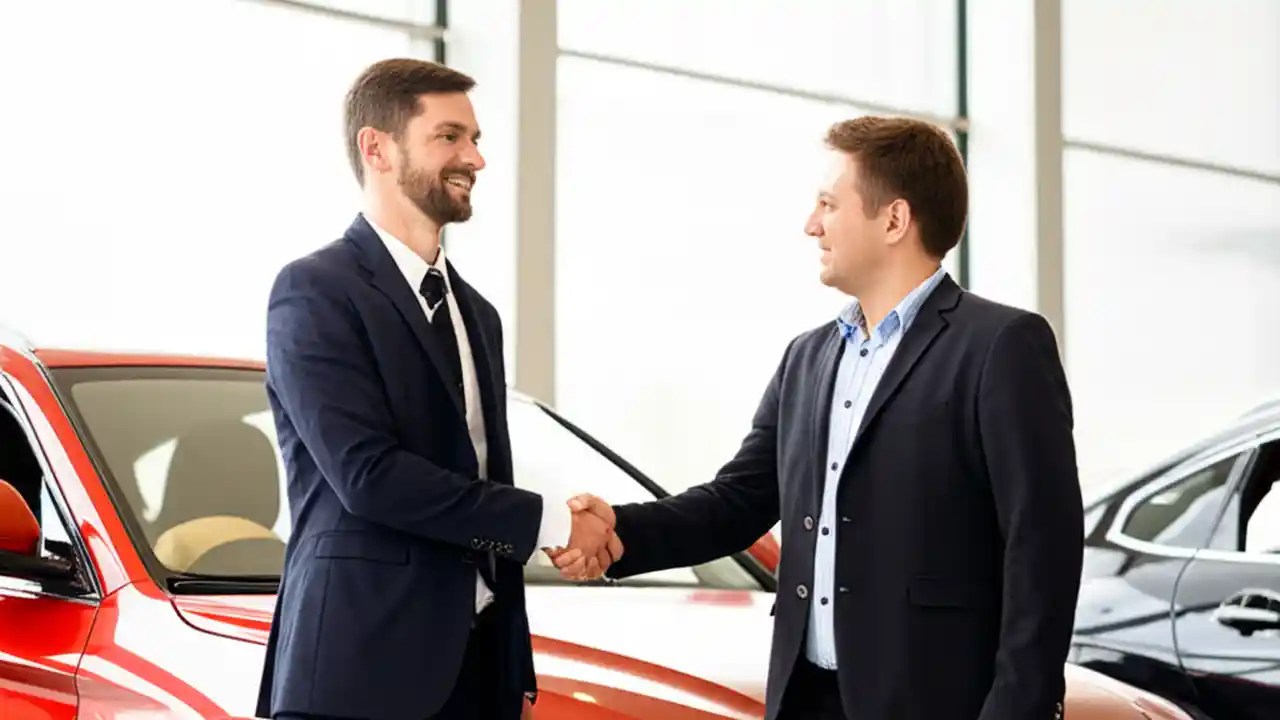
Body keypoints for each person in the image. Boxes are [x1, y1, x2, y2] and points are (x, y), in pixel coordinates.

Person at [556, 116, 1084, 720]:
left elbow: (1042, 546)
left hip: (935, 701)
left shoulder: (1001, 345)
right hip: (806, 698)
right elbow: (739, 501)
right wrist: (621, 532)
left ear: (894, 220)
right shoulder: (807, 357)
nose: (812, 225)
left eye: (829, 204)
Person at [255, 58, 616, 720]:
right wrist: (554, 523)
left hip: (479, 677)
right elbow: (369, 476)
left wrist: (512, 669)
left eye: (475, 139)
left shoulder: (479, 315)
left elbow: (478, 478)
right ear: (377, 148)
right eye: (449, 136)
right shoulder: (315, 292)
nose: (474, 158)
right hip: (359, 675)